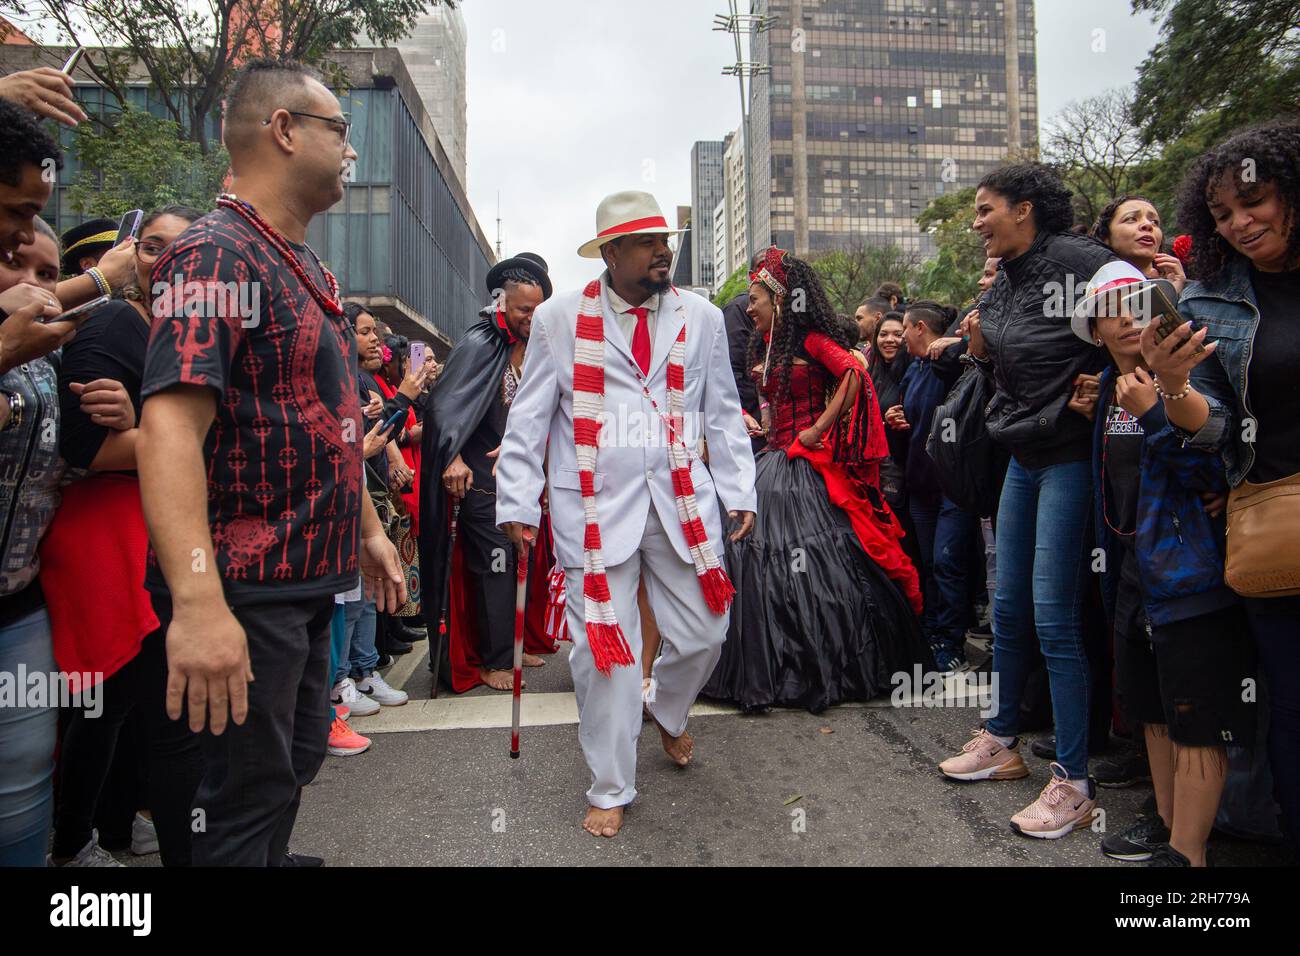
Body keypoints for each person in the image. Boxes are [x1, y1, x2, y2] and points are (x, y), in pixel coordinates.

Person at [135, 58, 406, 867]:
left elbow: (328, 420)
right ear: (285, 130)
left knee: (288, 769)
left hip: (305, 582)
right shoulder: (215, 256)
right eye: (340, 129)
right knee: (237, 802)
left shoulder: (306, 267)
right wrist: (197, 602)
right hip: (243, 592)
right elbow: (170, 431)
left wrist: (366, 530)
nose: (350, 151)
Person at [495, 190, 756, 839]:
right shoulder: (559, 318)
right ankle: (610, 785)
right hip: (592, 510)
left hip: (682, 502)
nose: (663, 251)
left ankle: (667, 707)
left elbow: (721, 409)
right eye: (647, 242)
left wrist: (739, 489)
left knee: (706, 631)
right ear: (610, 252)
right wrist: (518, 500)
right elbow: (528, 421)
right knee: (603, 655)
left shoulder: (702, 317)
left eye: (664, 240)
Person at [940, 162, 1118, 839]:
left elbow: (1143, 317)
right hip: (1022, 455)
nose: (978, 221)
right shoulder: (1006, 279)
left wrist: (1106, 378)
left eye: (986, 209)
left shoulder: (1079, 258)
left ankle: (1074, 781)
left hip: (1070, 456)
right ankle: (1002, 741)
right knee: (1009, 608)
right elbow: (1005, 363)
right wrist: (981, 349)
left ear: (1024, 208)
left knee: (1054, 616)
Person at [1141, 119, 1300, 856]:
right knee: (1290, 718)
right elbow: (1208, 433)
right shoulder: (1209, 303)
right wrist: (1173, 385)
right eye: (1222, 215)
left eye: (1254, 202)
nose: (1239, 224)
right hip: (1278, 535)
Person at [1066, 261, 1254, 868]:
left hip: (1189, 574)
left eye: (1138, 306)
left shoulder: (1185, 381)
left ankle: (1188, 853)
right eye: (1110, 312)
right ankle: (1168, 827)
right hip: (1130, 574)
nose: (1126, 321)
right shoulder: (1105, 391)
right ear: (1095, 331)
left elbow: (1211, 468)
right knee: (1149, 710)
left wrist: (1157, 407)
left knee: (1194, 715)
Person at [43, 205, 208, 868]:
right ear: (131, 258)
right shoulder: (114, 321)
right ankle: (70, 840)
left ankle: (116, 824)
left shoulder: (187, 333)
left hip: (150, 528)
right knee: (105, 697)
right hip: (103, 534)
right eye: (153, 247)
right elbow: (81, 448)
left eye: (185, 251)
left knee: (137, 701)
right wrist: (178, 438)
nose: (168, 262)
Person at [705, 246, 926, 713]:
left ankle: (816, 665)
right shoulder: (770, 345)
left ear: (780, 300)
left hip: (805, 464)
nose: (750, 307)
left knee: (807, 553)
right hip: (773, 456)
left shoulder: (809, 342)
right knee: (749, 549)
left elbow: (852, 371)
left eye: (757, 298)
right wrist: (761, 423)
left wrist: (819, 428)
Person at [420, 253, 556, 693]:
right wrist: (452, 456)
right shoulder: (479, 344)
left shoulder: (534, 348)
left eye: (537, 311)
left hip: (517, 483)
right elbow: (445, 409)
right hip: (480, 485)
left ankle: (514, 646)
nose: (531, 319)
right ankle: (493, 661)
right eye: (523, 311)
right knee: (495, 567)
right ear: (501, 304)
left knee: (520, 563)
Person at [886, 301, 978, 674]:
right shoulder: (915, 369)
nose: (900, 337)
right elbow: (910, 414)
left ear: (919, 327)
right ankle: (931, 630)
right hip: (921, 486)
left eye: (904, 329)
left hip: (953, 486)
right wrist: (898, 417)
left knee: (947, 562)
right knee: (927, 562)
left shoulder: (952, 365)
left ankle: (950, 640)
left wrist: (952, 344)